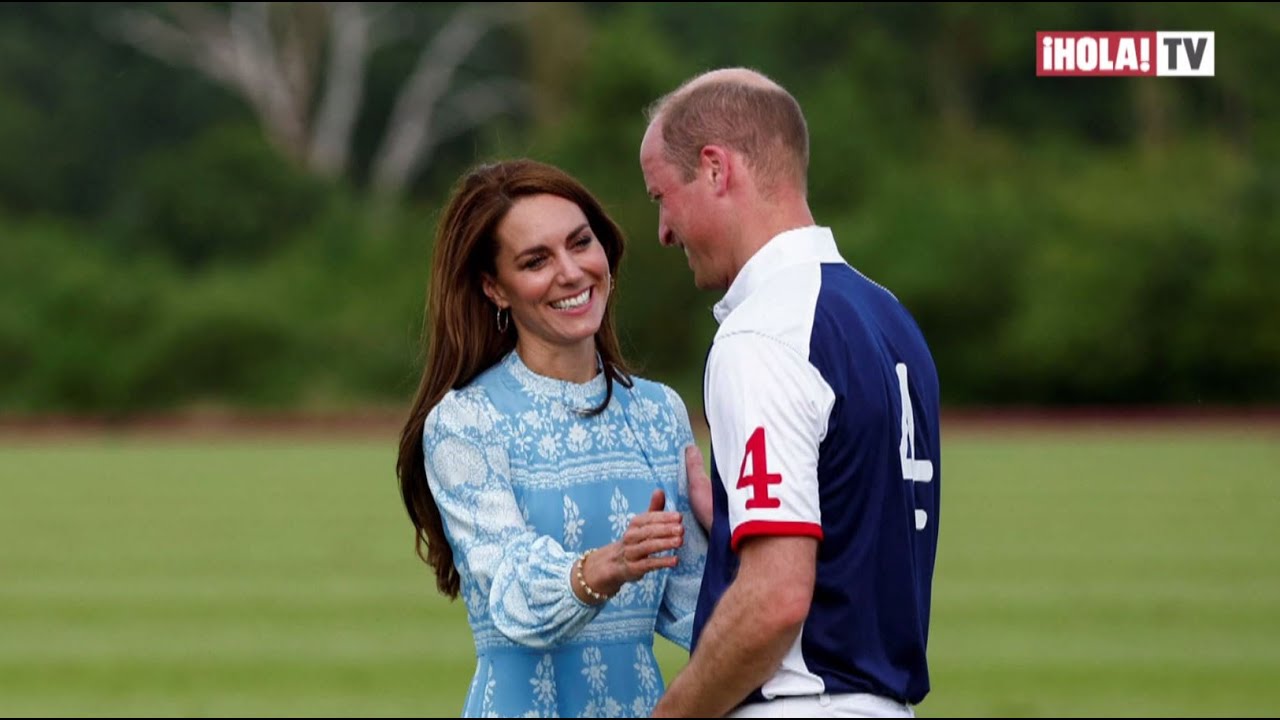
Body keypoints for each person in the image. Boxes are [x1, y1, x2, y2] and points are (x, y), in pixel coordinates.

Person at [638, 68, 942, 718]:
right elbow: (852, 532)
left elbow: (775, 602)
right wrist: (738, 527)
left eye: (662, 195)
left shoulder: (765, 332)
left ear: (716, 170)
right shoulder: (889, 318)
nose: (663, 229)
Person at [395, 158, 709, 718]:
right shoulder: (465, 422)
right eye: (536, 260)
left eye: (580, 243)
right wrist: (608, 565)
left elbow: (699, 610)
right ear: (494, 288)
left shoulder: (661, 413)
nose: (570, 272)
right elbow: (514, 597)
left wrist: (734, 535)